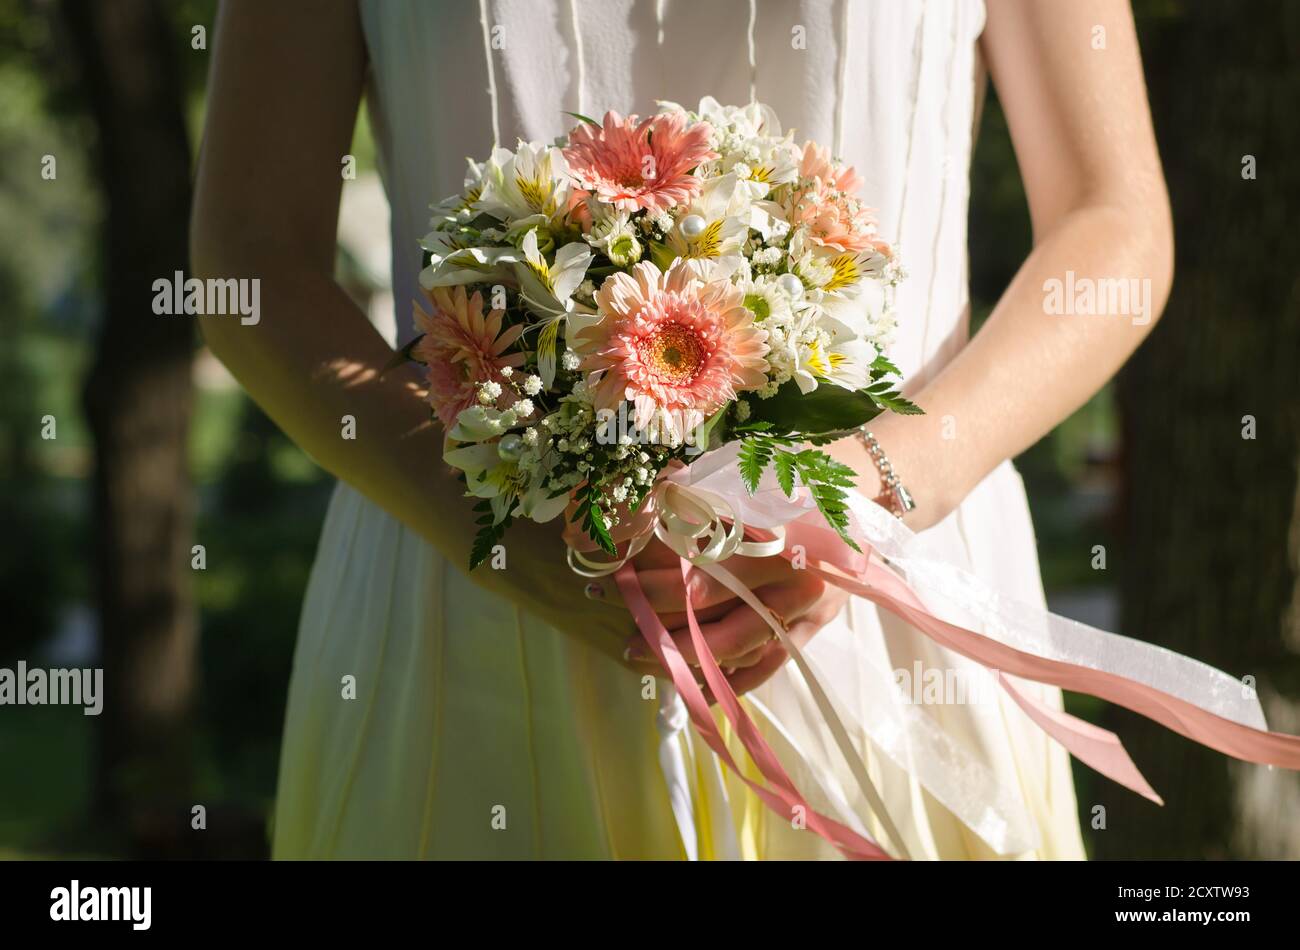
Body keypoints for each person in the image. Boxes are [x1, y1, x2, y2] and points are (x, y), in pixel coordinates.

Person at [192, 0, 1172, 859]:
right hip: (471, 601)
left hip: (889, 594)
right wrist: (485, 520)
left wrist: (881, 468)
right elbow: (249, 256)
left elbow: (1111, 217)